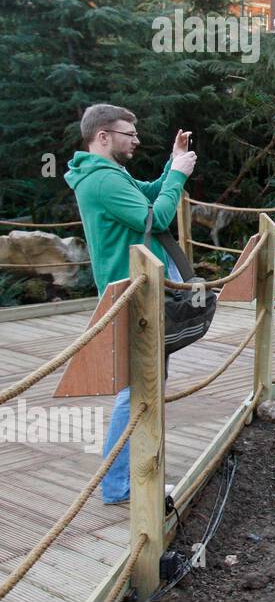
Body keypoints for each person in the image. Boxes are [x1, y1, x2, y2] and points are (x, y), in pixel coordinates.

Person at [64, 104, 196, 504]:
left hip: (139, 288)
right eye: (129, 134)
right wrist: (179, 175)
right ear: (103, 136)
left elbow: (149, 194)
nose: (136, 140)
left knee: (144, 384)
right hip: (134, 293)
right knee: (137, 389)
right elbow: (155, 218)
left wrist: (172, 163)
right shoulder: (102, 180)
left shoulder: (109, 173)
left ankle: (129, 478)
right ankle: (120, 485)